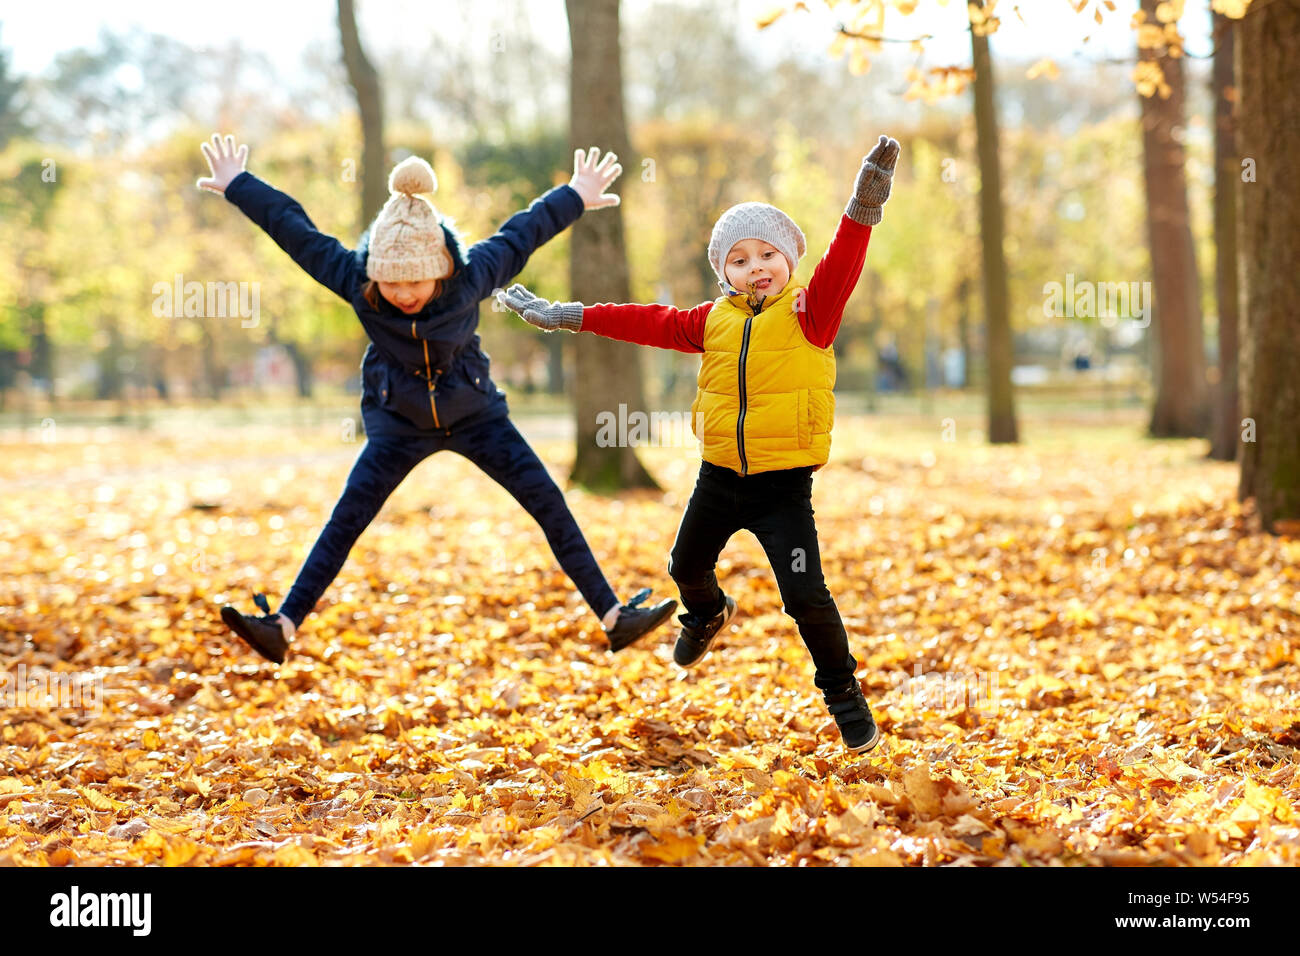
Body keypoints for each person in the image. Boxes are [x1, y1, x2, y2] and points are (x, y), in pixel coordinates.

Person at [196, 134, 677, 664]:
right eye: (391, 283)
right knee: (348, 517)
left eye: (415, 283)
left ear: (442, 266)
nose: (403, 295)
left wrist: (577, 193)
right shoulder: (358, 283)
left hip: (476, 416)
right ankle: (282, 626)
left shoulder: (472, 277)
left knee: (548, 502)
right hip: (397, 423)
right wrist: (239, 185)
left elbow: (522, 233)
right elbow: (298, 233)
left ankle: (614, 616)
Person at [497, 135, 900, 753]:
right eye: (739, 259)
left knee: (805, 595)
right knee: (684, 565)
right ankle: (707, 612)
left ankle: (843, 693)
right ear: (724, 272)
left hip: (781, 488)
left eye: (768, 253)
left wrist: (863, 204)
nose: (755, 266)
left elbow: (844, 262)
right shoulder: (710, 322)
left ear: (790, 260)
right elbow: (643, 319)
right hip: (719, 478)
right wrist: (568, 314)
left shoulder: (810, 315)